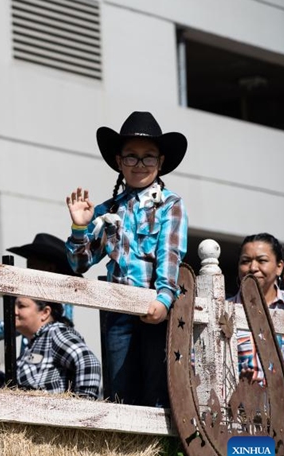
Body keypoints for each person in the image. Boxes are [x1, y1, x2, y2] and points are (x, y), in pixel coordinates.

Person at [65, 111, 188, 408]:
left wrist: (164, 298)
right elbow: (79, 264)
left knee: (157, 390)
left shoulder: (170, 204)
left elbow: (170, 254)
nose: (139, 164)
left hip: (154, 308)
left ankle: (158, 453)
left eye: (148, 157)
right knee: (121, 392)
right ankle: (127, 452)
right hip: (118, 310)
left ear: (160, 163)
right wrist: (80, 226)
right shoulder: (107, 210)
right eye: (131, 157)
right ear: (119, 162)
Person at [0, 298, 100, 399]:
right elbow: (8, 390)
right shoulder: (32, 344)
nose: (14, 311)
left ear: (45, 313)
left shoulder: (55, 333)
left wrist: (82, 413)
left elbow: (89, 363)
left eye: (21, 306)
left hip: (51, 428)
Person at [0, 233, 83, 353]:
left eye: (32, 267)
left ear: (50, 269)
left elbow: (23, 321)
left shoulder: (60, 300)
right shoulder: (37, 297)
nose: (28, 273)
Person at [228, 233, 284, 384]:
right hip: (237, 406)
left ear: (279, 267)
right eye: (245, 261)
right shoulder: (224, 309)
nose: (253, 268)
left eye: (262, 260)